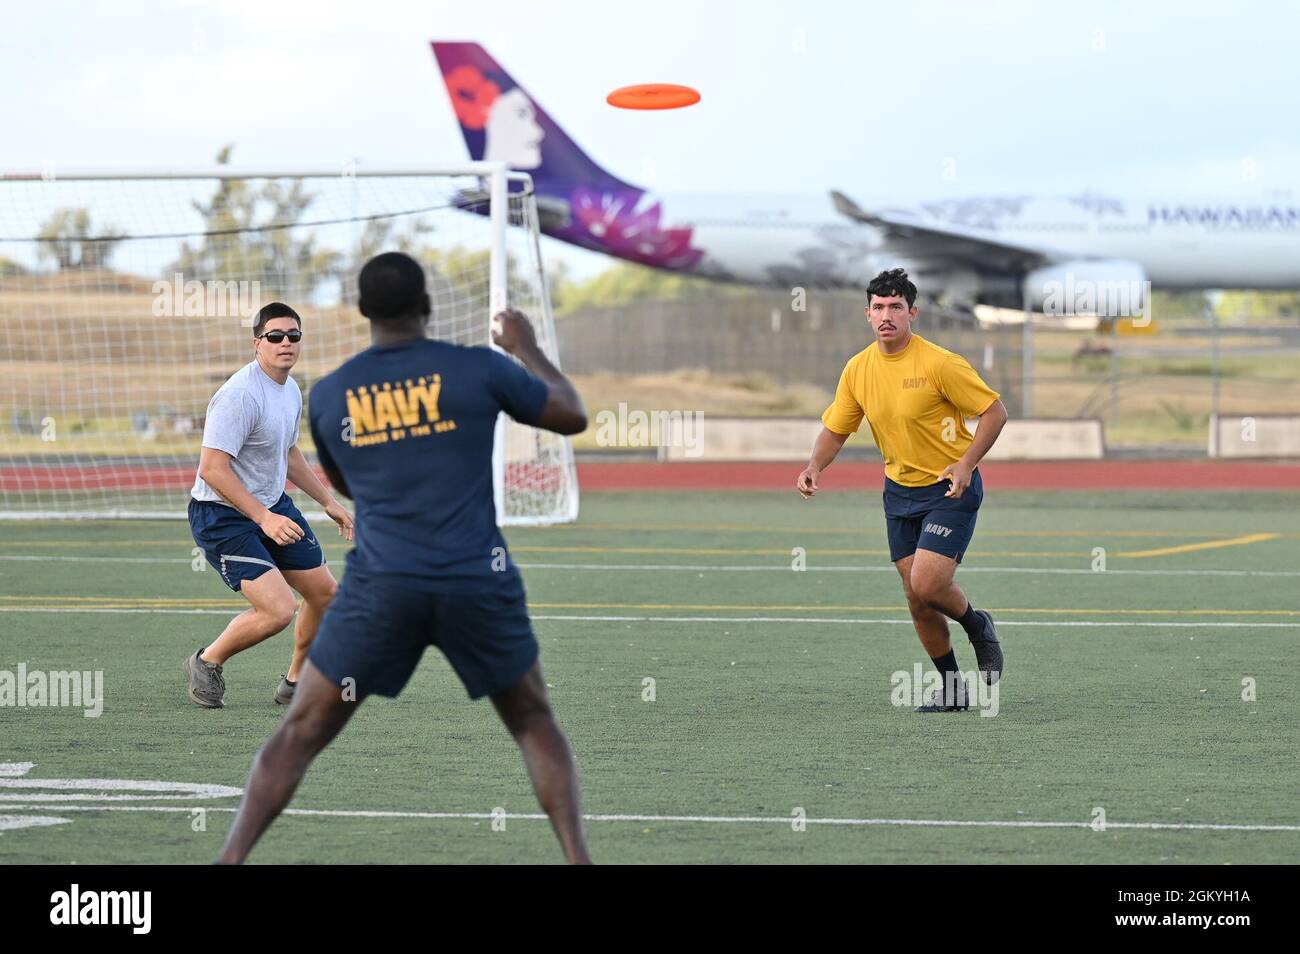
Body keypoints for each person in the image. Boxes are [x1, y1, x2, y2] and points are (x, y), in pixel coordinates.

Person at [217, 252, 591, 863]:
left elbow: (348, 477)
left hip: (382, 586)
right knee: (532, 722)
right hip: (476, 578)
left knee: (300, 735)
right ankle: (579, 859)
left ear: (363, 312)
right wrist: (524, 344)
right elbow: (571, 414)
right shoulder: (477, 368)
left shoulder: (333, 393)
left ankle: (229, 860)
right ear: (428, 306)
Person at [796, 268, 1008, 711]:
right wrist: (815, 465)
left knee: (928, 584)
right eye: (878, 307)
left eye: (896, 307)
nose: (886, 315)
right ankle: (953, 689)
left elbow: (994, 412)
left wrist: (967, 463)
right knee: (916, 600)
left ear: (913, 312)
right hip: (899, 493)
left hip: (949, 487)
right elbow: (837, 429)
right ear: (868, 315)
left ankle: (977, 625)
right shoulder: (858, 369)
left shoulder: (940, 363)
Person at [186, 302, 353, 709]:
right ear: (257, 343)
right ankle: (207, 661)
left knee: (326, 596)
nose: (285, 343)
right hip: (223, 515)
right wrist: (263, 518)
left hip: (272, 505)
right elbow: (212, 469)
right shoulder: (239, 395)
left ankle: (295, 683)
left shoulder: (290, 389)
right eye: (275, 336)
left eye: (293, 336)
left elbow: (289, 452)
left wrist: (328, 501)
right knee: (278, 611)